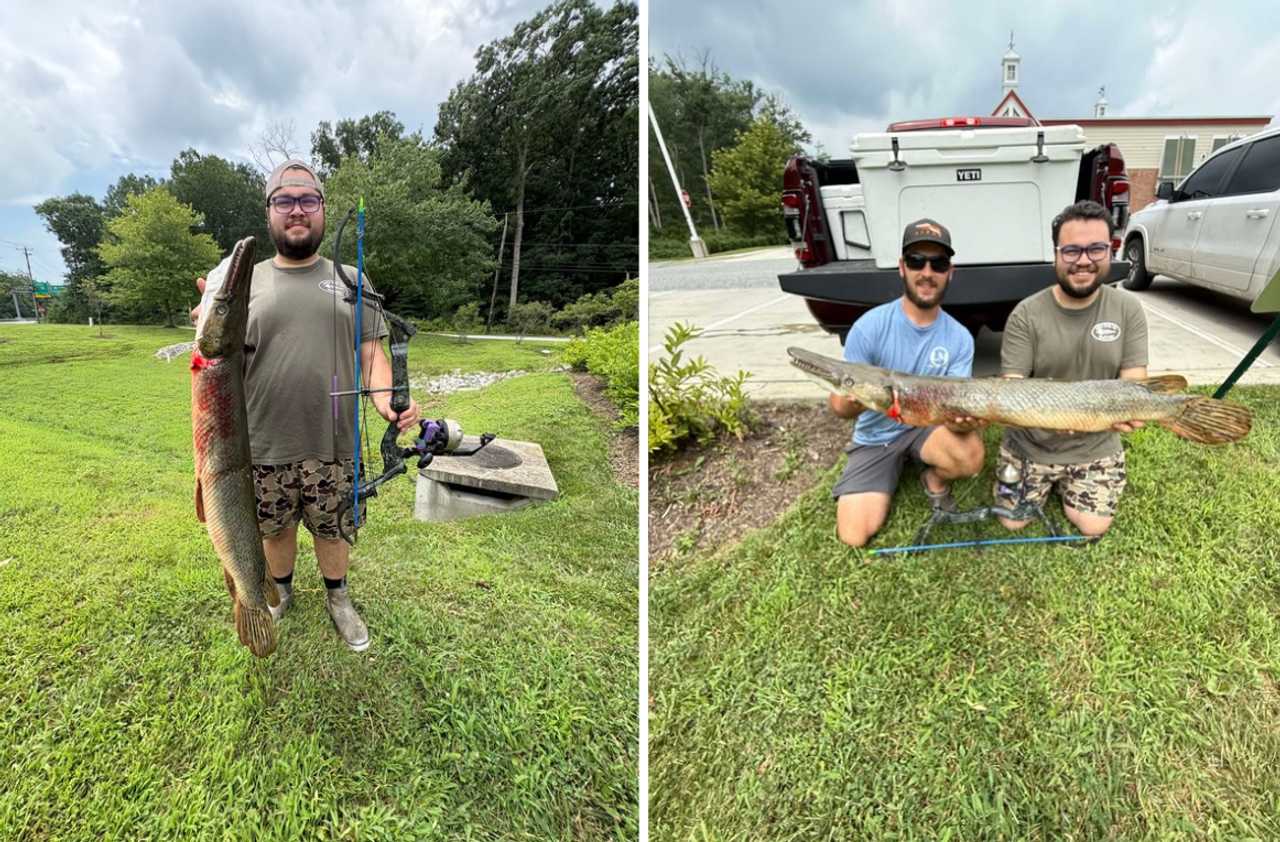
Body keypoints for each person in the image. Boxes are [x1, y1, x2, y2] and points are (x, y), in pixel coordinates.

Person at [191, 159, 421, 651]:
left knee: (333, 528)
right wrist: (206, 320)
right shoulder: (242, 281)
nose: (297, 210)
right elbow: (218, 354)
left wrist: (386, 401)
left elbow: (372, 352)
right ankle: (278, 593)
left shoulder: (352, 277)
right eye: (284, 201)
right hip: (258, 446)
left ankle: (338, 599)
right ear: (270, 211)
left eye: (308, 200)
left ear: (321, 209)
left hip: (333, 442)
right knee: (272, 529)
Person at [996, 199, 1148, 538]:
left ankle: (1073, 483)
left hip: (1096, 444)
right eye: (1071, 251)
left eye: (1096, 249)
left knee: (1093, 527)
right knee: (1012, 520)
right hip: (1030, 444)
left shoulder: (1128, 308)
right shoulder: (1025, 313)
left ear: (1111, 250)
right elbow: (1012, 388)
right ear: (1056, 254)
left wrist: (1133, 410)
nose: (1083, 261)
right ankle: (1040, 479)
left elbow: (1134, 380)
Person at [829, 219, 986, 548]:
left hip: (924, 427)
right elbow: (839, 408)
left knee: (969, 454)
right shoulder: (869, 327)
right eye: (917, 260)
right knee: (854, 535)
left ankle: (933, 475)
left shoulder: (958, 337)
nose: (927, 271)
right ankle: (890, 468)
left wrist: (962, 423)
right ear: (902, 267)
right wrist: (852, 399)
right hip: (876, 437)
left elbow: (953, 409)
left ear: (949, 272)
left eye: (938, 263)